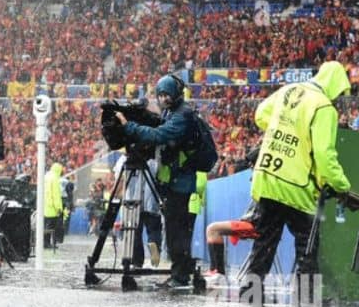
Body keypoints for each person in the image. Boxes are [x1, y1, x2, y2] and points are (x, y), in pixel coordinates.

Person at [240, 61, 352, 307]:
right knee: (307, 244)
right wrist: (342, 186)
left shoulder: (289, 90)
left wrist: (286, 127)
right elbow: (324, 155)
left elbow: (260, 115)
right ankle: (307, 299)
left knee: (264, 242)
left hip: (268, 177)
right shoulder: (323, 107)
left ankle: (250, 294)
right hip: (296, 185)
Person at [116, 74, 200, 288]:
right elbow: (159, 127)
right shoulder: (172, 112)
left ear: (176, 94)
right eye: (160, 95)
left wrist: (129, 126)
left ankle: (180, 276)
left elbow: (159, 135)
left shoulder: (183, 115)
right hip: (173, 181)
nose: (163, 99)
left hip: (180, 182)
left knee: (176, 231)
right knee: (172, 230)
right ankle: (178, 272)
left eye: (166, 94)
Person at [112, 153, 162, 269]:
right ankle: (154, 256)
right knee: (153, 230)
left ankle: (136, 262)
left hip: (132, 202)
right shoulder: (154, 161)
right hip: (151, 200)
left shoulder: (123, 160)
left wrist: (114, 195)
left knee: (134, 231)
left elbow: (119, 181)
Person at [205, 201, 261, 280]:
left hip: (256, 225)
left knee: (212, 229)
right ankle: (215, 270)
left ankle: (218, 271)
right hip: (254, 223)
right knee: (212, 228)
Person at [43, 162, 64, 248]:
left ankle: (45, 242)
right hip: (52, 208)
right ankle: (47, 243)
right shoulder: (54, 178)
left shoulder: (46, 176)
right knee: (51, 227)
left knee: (46, 226)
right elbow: (56, 195)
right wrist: (59, 207)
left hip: (45, 206)